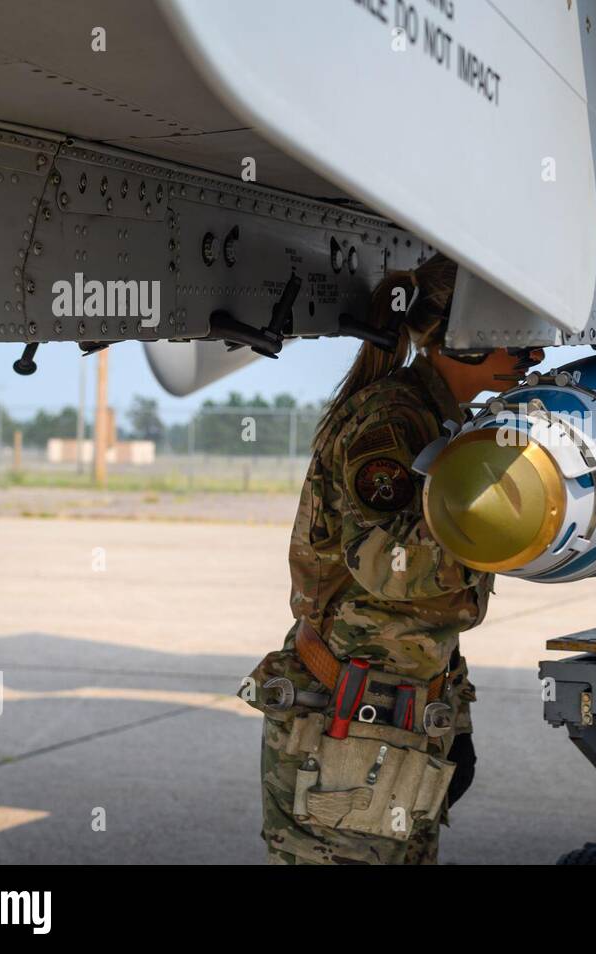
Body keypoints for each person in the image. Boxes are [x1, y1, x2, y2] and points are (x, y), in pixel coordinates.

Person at [239, 253, 541, 864]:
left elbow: (420, 617)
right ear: (466, 336)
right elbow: (388, 565)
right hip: (348, 724)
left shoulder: (439, 417)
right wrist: (505, 523)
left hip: (399, 712)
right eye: (515, 336)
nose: (530, 354)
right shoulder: (392, 420)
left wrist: (452, 715)